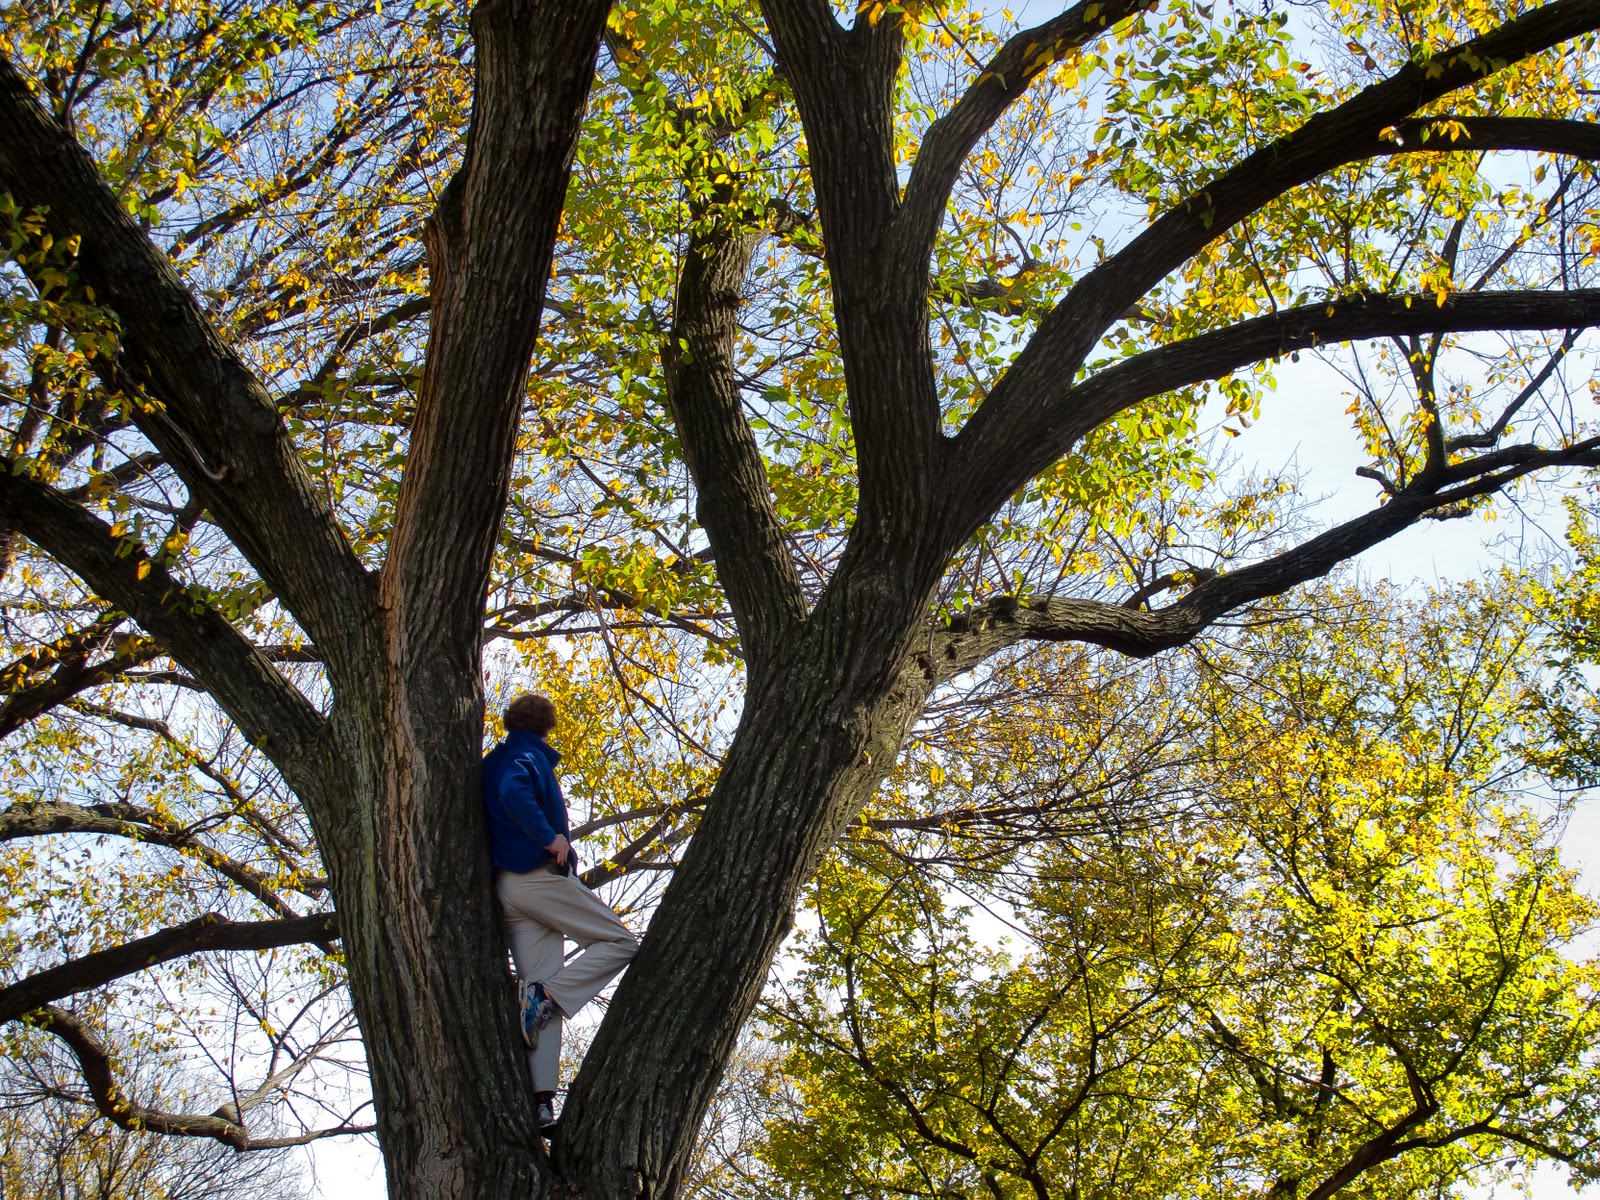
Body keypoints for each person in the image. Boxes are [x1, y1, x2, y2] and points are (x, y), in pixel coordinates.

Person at [480, 692, 638, 1133]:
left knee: (541, 997)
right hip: (536, 878)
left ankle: (541, 1102)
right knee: (620, 942)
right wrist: (552, 837)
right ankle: (545, 998)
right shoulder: (526, 755)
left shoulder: (492, 760)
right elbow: (514, 790)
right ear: (546, 727)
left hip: (510, 890)